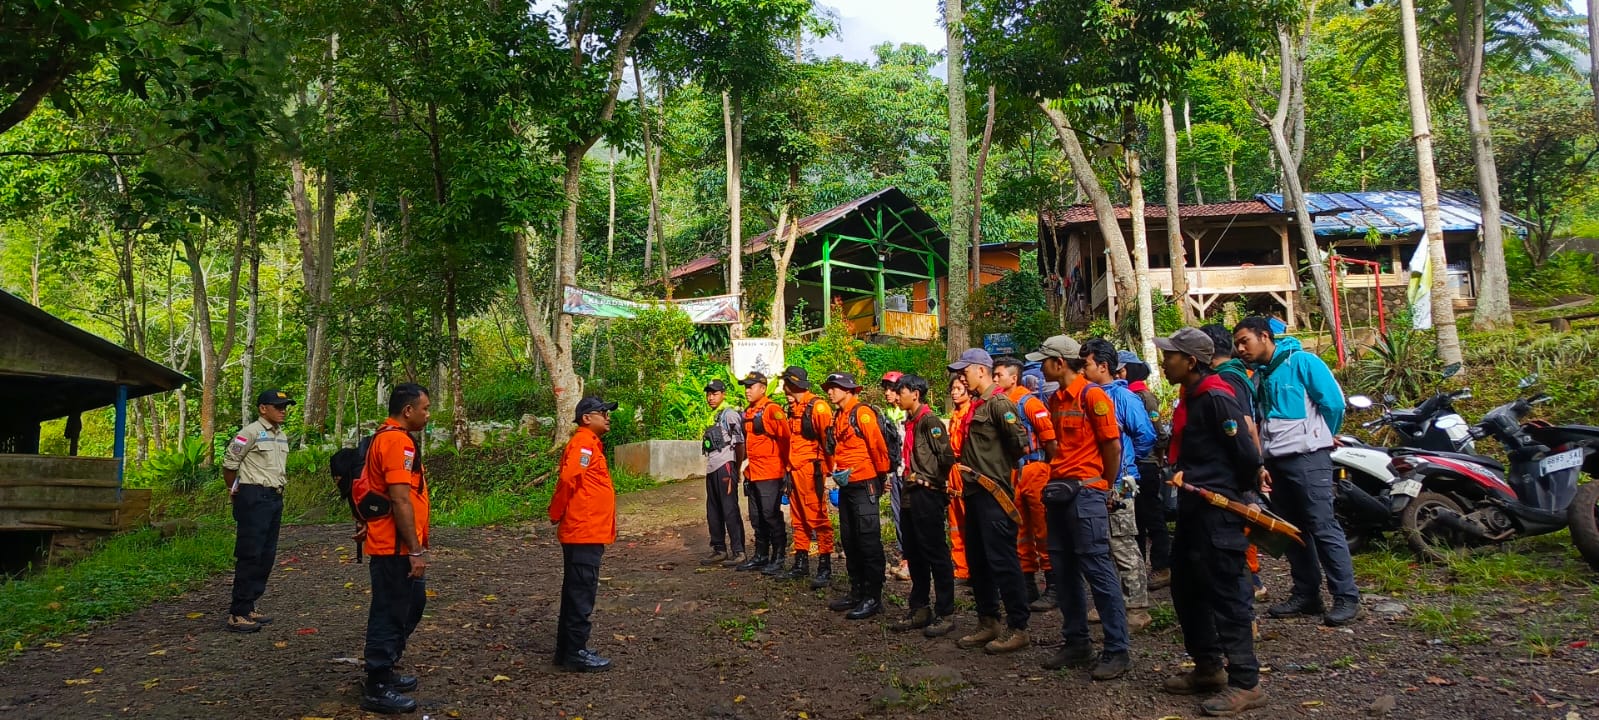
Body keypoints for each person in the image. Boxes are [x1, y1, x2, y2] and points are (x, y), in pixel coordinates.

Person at [1156, 328, 1268, 716]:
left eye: (1170, 355)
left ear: (1190, 361)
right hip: (1192, 511)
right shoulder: (1190, 397)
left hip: (1218, 513)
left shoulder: (1217, 397)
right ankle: (1207, 667)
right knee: (1187, 589)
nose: (1164, 361)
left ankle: (1246, 682)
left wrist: (1230, 493)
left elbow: (1247, 456)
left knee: (1228, 594)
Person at [1233, 317, 1360, 626]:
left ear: (1264, 336)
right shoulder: (1259, 376)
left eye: (1244, 341)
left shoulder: (1302, 361)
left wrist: (1322, 436)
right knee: (1291, 530)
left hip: (1308, 457)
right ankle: (1307, 594)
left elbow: (1333, 403)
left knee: (1322, 525)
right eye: (1237, 343)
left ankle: (1346, 596)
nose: (1240, 349)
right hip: (1276, 462)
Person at [1030, 336, 1129, 678]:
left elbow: (1112, 446)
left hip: (1086, 493)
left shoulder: (1093, 396)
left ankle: (1116, 649)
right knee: (1063, 568)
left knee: (1098, 569)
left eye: (1044, 360)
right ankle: (1077, 642)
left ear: (1059, 362)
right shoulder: (1055, 399)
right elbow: (1057, 447)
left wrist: (1104, 485)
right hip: (1059, 492)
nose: (1040, 366)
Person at [947, 348, 1033, 655]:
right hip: (973, 494)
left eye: (965, 371)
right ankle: (988, 621)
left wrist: (995, 472)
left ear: (981, 371)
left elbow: (1019, 444)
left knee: (1003, 560)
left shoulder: (998, 403)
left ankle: (1018, 626)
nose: (962, 376)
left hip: (993, 493)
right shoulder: (977, 405)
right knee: (979, 560)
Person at [359, 384, 432, 715]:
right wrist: (414, 550)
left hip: (399, 543)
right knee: (389, 611)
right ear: (408, 410)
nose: (427, 415)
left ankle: (386, 666)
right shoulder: (395, 441)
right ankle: (377, 684)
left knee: (412, 602)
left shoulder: (390, 438)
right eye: (425, 409)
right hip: (394, 546)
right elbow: (400, 497)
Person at [1080, 339, 1158, 633]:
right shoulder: (1087, 396)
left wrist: (1125, 464)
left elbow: (1145, 435)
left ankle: (1137, 607)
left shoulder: (1123, 398)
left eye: (1086, 364)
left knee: (1124, 541)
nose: (1083, 370)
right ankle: (1112, 602)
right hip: (1094, 479)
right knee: (1101, 543)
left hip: (1123, 481)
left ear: (1103, 366)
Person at [550, 397, 620, 673]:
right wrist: (556, 512)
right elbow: (569, 479)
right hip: (584, 531)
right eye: (603, 413)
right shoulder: (582, 444)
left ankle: (568, 650)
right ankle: (575, 653)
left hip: (587, 530)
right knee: (581, 592)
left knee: (575, 591)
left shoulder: (590, 445)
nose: (608, 417)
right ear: (586, 418)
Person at [887, 374, 958, 637]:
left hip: (926, 495)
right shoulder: (910, 421)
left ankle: (945, 611)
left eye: (901, 391)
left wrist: (931, 482)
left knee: (935, 553)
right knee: (914, 552)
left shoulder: (929, 422)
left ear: (915, 394)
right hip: (909, 492)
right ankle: (919, 607)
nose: (897, 396)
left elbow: (946, 457)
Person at [1201, 324, 1268, 602]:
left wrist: (1256, 465)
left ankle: (1251, 583)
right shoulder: (1237, 375)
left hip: (1235, 464)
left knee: (1240, 522)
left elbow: (1246, 426)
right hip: (1240, 461)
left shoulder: (1227, 379)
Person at [220, 389, 295, 634]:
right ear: (263, 408)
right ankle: (237, 612)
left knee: (266, 555)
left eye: (285, 406)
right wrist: (235, 491)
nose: (283, 410)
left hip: (274, 497)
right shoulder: (249, 433)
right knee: (250, 554)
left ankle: (250, 605)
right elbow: (230, 464)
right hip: (253, 496)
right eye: (278, 406)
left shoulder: (281, 435)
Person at [822, 372, 893, 620]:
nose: (830, 392)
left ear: (849, 390)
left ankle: (873, 597)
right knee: (850, 539)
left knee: (868, 540)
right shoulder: (839, 415)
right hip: (847, 484)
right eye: (829, 387)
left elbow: (878, 447)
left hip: (864, 484)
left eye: (835, 387)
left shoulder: (862, 413)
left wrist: (881, 477)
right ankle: (857, 591)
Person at [992, 356, 1058, 610]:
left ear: (1013, 377)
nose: (995, 379)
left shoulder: (1029, 403)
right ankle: (1027, 584)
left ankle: (1054, 586)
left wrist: (1052, 470)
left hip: (1036, 469)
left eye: (999, 375)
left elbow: (1049, 439)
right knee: (1019, 531)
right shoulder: (1000, 404)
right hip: (1013, 474)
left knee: (1043, 528)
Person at [1118, 350, 1171, 589]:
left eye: (1119, 369)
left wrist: (1145, 457)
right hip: (1133, 467)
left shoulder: (1142, 396)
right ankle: (1136, 570)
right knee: (1134, 520)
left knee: (1152, 517)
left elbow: (1158, 434)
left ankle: (1162, 567)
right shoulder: (1124, 394)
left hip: (1146, 466)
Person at [779, 366, 836, 588]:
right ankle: (801, 563)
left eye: (787, 388)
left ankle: (825, 565)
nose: (785, 392)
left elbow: (827, 442)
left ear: (795, 386)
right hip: (794, 471)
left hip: (813, 471)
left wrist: (829, 472)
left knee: (818, 517)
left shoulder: (818, 408)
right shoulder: (794, 408)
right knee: (798, 518)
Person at [737, 372, 789, 575]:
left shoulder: (772, 410)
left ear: (763, 388)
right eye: (745, 386)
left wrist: (786, 468)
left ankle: (778, 557)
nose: (747, 390)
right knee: (756, 517)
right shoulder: (749, 412)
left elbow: (785, 439)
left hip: (770, 472)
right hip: (753, 473)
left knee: (771, 515)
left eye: (751, 386)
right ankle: (760, 555)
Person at [701, 380, 747, 567]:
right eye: (709, 394)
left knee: (729, 508)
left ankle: (739, 551)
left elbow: (740, 443)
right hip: (712, 467)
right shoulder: (713, 415)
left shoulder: (729, 414)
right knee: (713, 509)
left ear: (723, 394)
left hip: (726, 466)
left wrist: (736, 468)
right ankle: (719, 548)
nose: (711, 397)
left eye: (715, 393)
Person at [879, 371, 911, 582]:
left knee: (911, 517)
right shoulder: (886, 415)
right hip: (895, 473)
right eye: (886, 390)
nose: (888, 394)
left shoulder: (909, 415)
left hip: (909, 473)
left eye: (893, 389)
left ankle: (911, 560)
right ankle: (904, 556)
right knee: (898, 516)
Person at [945, 376, 974, 585]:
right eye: (952, 389)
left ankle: (976, 568)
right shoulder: (955, 414)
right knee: (955, 522)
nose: (954, 392)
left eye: (958, 389)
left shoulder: (971, 413)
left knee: (971, 520)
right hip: (953, 469)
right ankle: (962, 568)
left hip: (966, 468)